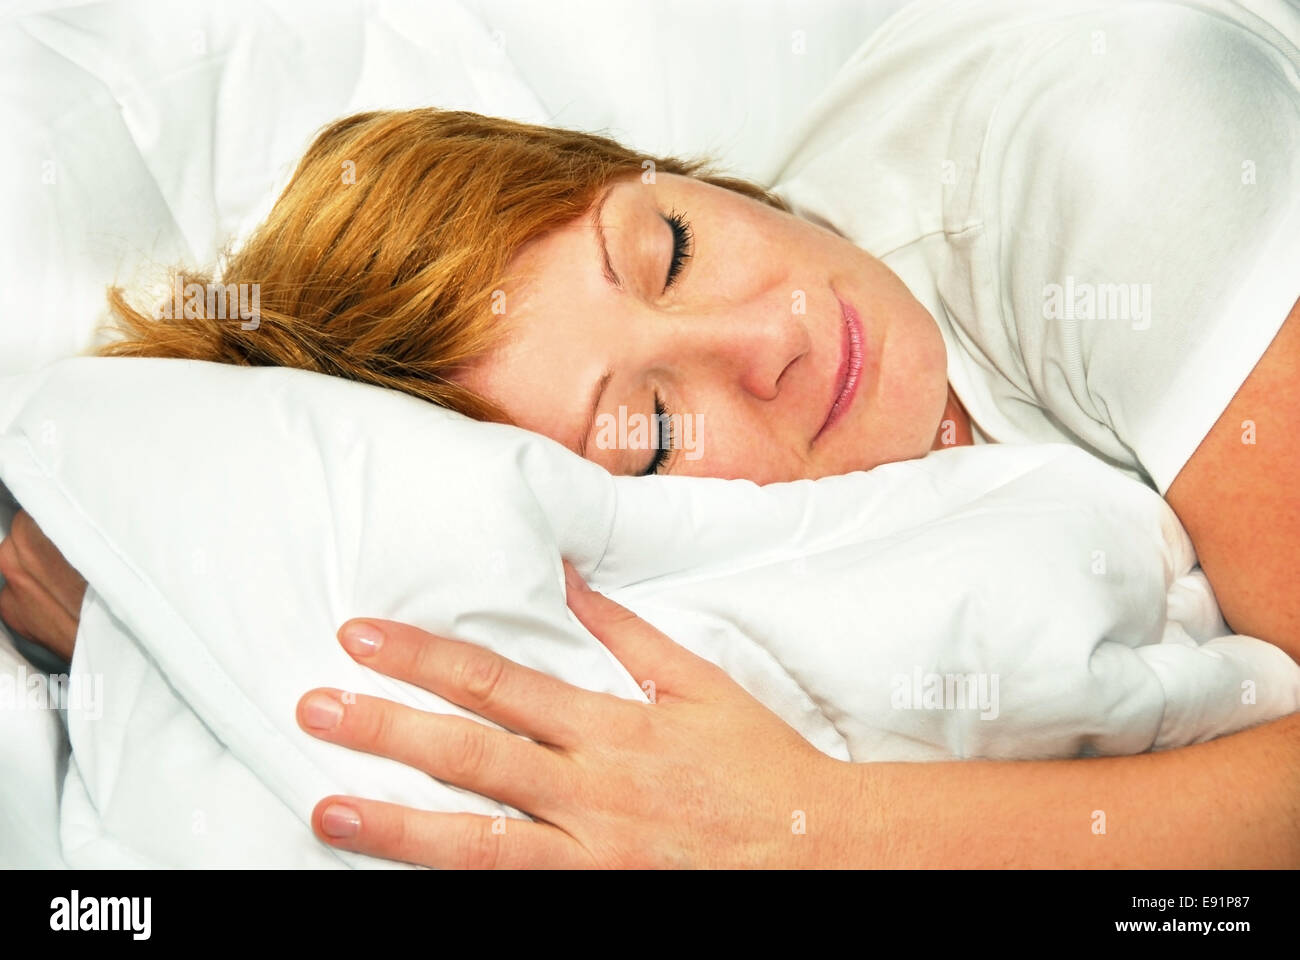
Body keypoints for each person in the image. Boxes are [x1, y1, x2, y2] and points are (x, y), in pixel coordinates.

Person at [2, 0, 1297, 867]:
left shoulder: (1115, 144)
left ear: (648, 168)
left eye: (668, 248)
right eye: (658, 430)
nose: (771, 337)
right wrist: (129, 597)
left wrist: (823, 836)